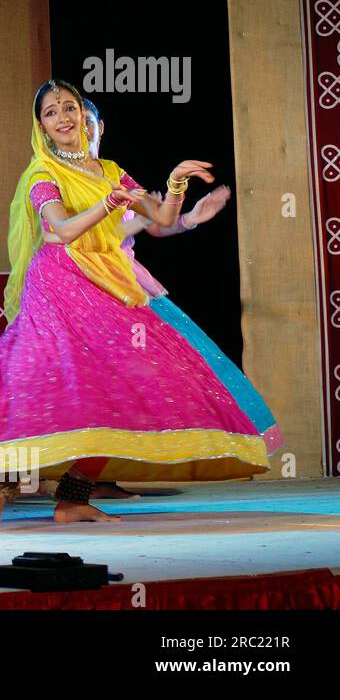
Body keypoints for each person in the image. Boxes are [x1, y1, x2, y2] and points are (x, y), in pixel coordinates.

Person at [0, 79, 269, 523]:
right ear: (42, 126)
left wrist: (177, 184)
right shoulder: (42, 174)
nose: (63, 117)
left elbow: (162, 217)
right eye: (51, 112)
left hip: (110, 282)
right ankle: (0, 489)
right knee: (42, 381)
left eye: (68, 107)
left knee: (118, 383)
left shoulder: (110, 168)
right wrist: (108, 204)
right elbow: (64, 230)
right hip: (58, 285)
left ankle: (73, 498)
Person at [79, 99, 281, 500]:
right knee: (94, 382)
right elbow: (80, 239)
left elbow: (156, 224)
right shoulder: (60, 177)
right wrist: (138, 220)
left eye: (87, 120)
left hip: (132, 287)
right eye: (68, 119)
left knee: (146, 377)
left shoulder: (115, 174)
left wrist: (189, 219)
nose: (79, 128)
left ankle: (100, 475)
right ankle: (76, 480)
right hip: (86, 289)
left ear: (103, 126)